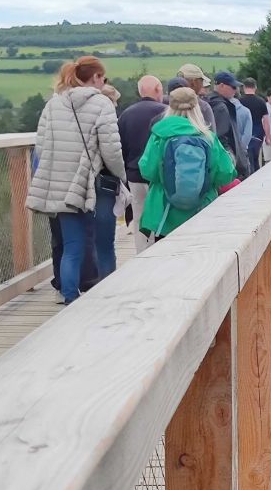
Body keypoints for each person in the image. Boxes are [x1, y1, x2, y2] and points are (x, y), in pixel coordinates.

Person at [27, 55, 126, 305]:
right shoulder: (102, 104)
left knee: (72, 246)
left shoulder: (53, 104)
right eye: (103, 78)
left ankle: (70, 297)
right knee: (104, 243)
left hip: (61, 184)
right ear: (95, 78)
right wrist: (120, 176)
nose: (104, 82)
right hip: (94, 184)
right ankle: (107, 294)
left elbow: (41, 146)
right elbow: (111, 150)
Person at [137, 87, 237, 242]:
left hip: (166, 216)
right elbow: (226, 173)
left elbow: (147, 170)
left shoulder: (160, 136)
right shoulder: (208, 138)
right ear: (196, 108)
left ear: (170, 107)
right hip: (202, 213)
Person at [118, 75, 166, 251]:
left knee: (139, 217)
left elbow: (120, 148)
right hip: (158, 177)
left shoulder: (126, 114)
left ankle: (141, 255)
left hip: (134, 176)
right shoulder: (165, 112)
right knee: (160, 217)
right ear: (158, 89)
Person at [205, 71, 249, 178]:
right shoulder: (221, 107)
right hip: (224, 158)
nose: (236, 90)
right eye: (233, 87)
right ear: (222, 85)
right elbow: (221, 137)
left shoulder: (207, 102)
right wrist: (230, 159)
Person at [239, 77, 269, 173]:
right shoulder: (261, 101)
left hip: (243, 133)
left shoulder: (239, 101)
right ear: (255, 87)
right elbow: (266, 121)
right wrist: (268, 136)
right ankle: (256, 173)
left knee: (246, 157)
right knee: (255, 157)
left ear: (244, 87)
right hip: (258, 134)